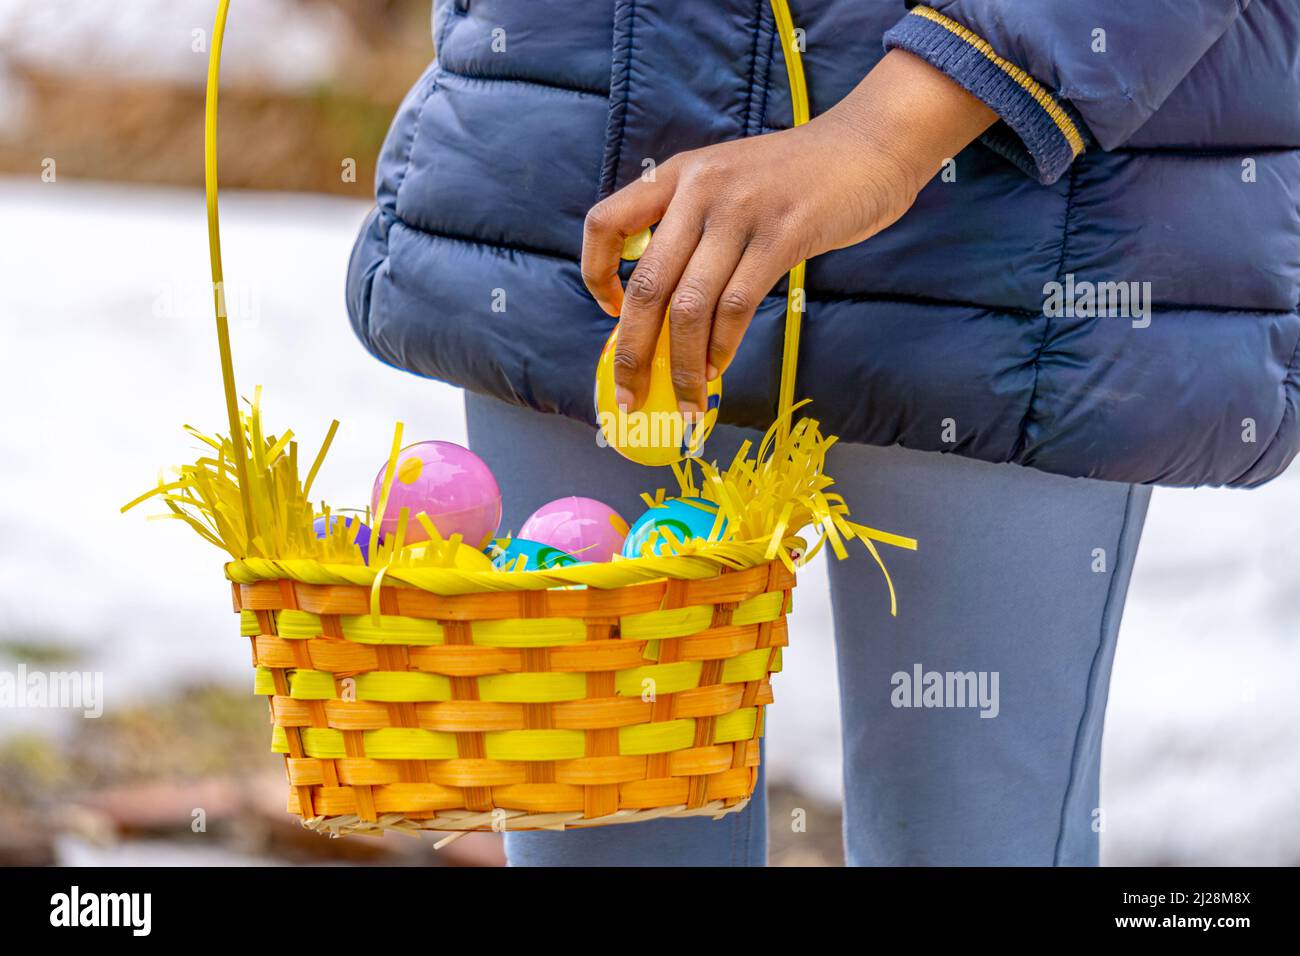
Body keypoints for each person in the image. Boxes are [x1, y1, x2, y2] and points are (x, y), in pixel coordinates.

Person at [346, 1, 1300, 865]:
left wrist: (889, 131)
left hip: (1006, 249)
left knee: (972, 836)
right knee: (601, 822)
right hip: (576, 201)